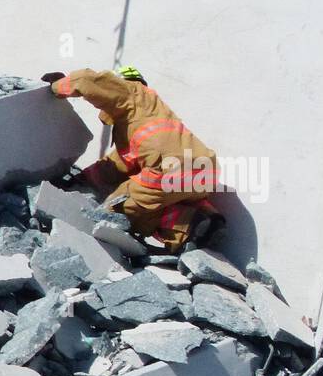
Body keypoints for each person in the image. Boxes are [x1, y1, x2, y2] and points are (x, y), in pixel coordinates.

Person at [42, 66, 223, 250]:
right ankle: (206, 218)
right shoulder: (147, 114)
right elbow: (118, 164)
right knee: (167, 197)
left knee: (117, 209)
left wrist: (56, 86)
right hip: (207, 169)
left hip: (167, 166)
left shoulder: (128, 91)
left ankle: (187, 226)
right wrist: (82, 179)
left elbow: (86, 79)